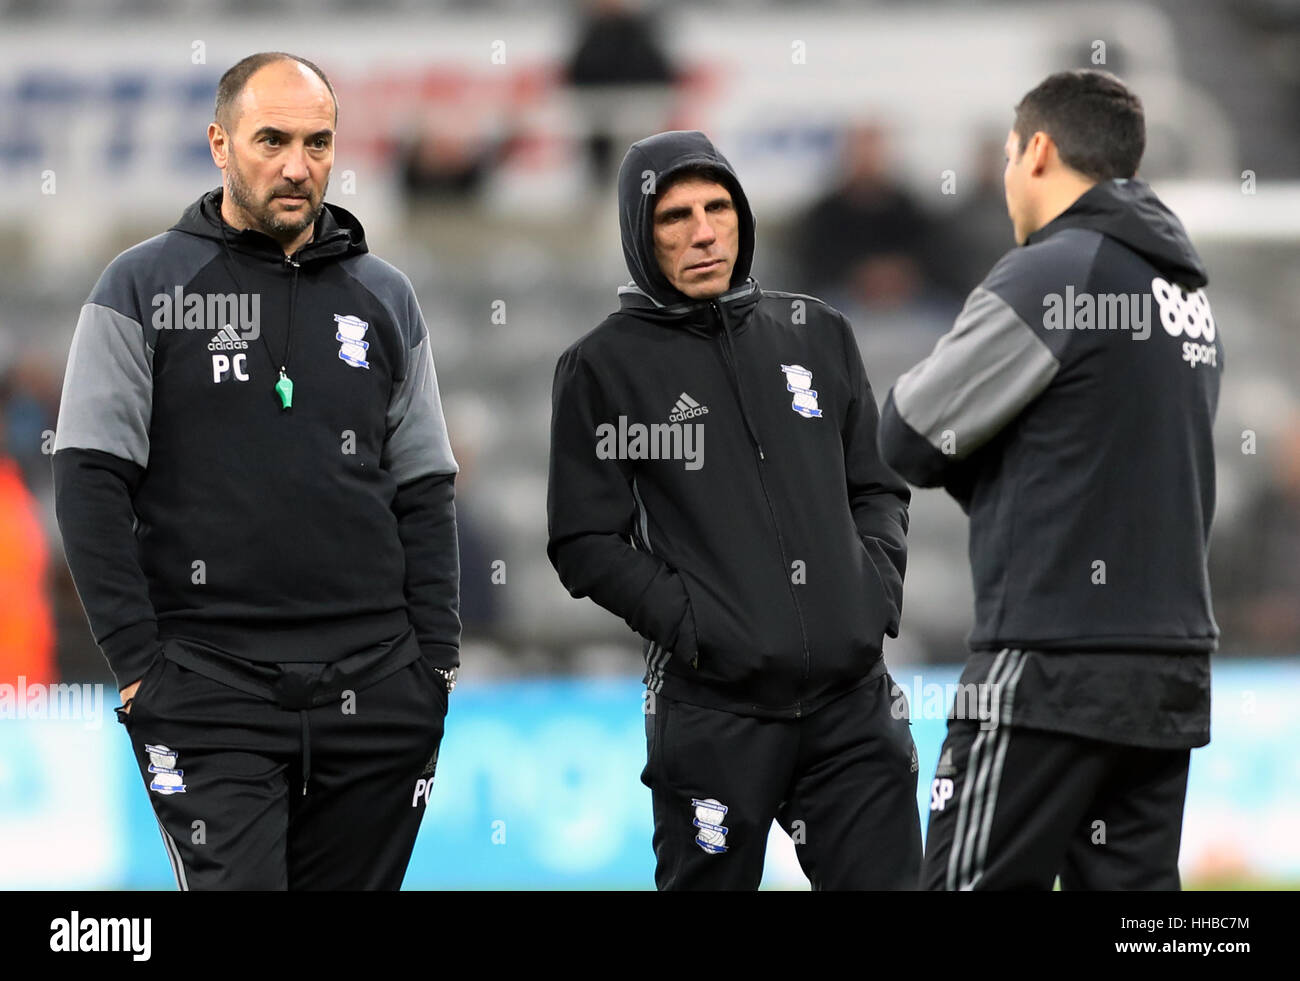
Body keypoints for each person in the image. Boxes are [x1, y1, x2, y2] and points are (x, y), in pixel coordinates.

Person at [52, 52, 460, 890]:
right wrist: (139, 668)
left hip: (378, 692)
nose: (296, 165)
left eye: (317, 142)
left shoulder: (385, 295)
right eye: (271, 139)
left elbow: (425, 488)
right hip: (207, 691)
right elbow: (88, 480)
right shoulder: (140, 286)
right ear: (218, 143)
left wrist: (434, 669)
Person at [547, 129, 920, 890]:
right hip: (715, 714)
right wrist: (697, 625)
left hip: (852, 706)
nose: (704, 231)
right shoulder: (602, 366)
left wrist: (871, 589)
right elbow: (584, 537)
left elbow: (877, 486)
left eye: (718, 206)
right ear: (639, 234)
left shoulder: (817, 332)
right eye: (674, 217)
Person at [878, 69, 1222, 890]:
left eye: (1006, 156)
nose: (1003, 181)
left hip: (1050, 664)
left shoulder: (1056, 271)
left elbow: (908, 433)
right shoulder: (1184, 290)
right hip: (1168, 671)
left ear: (1037, 151)